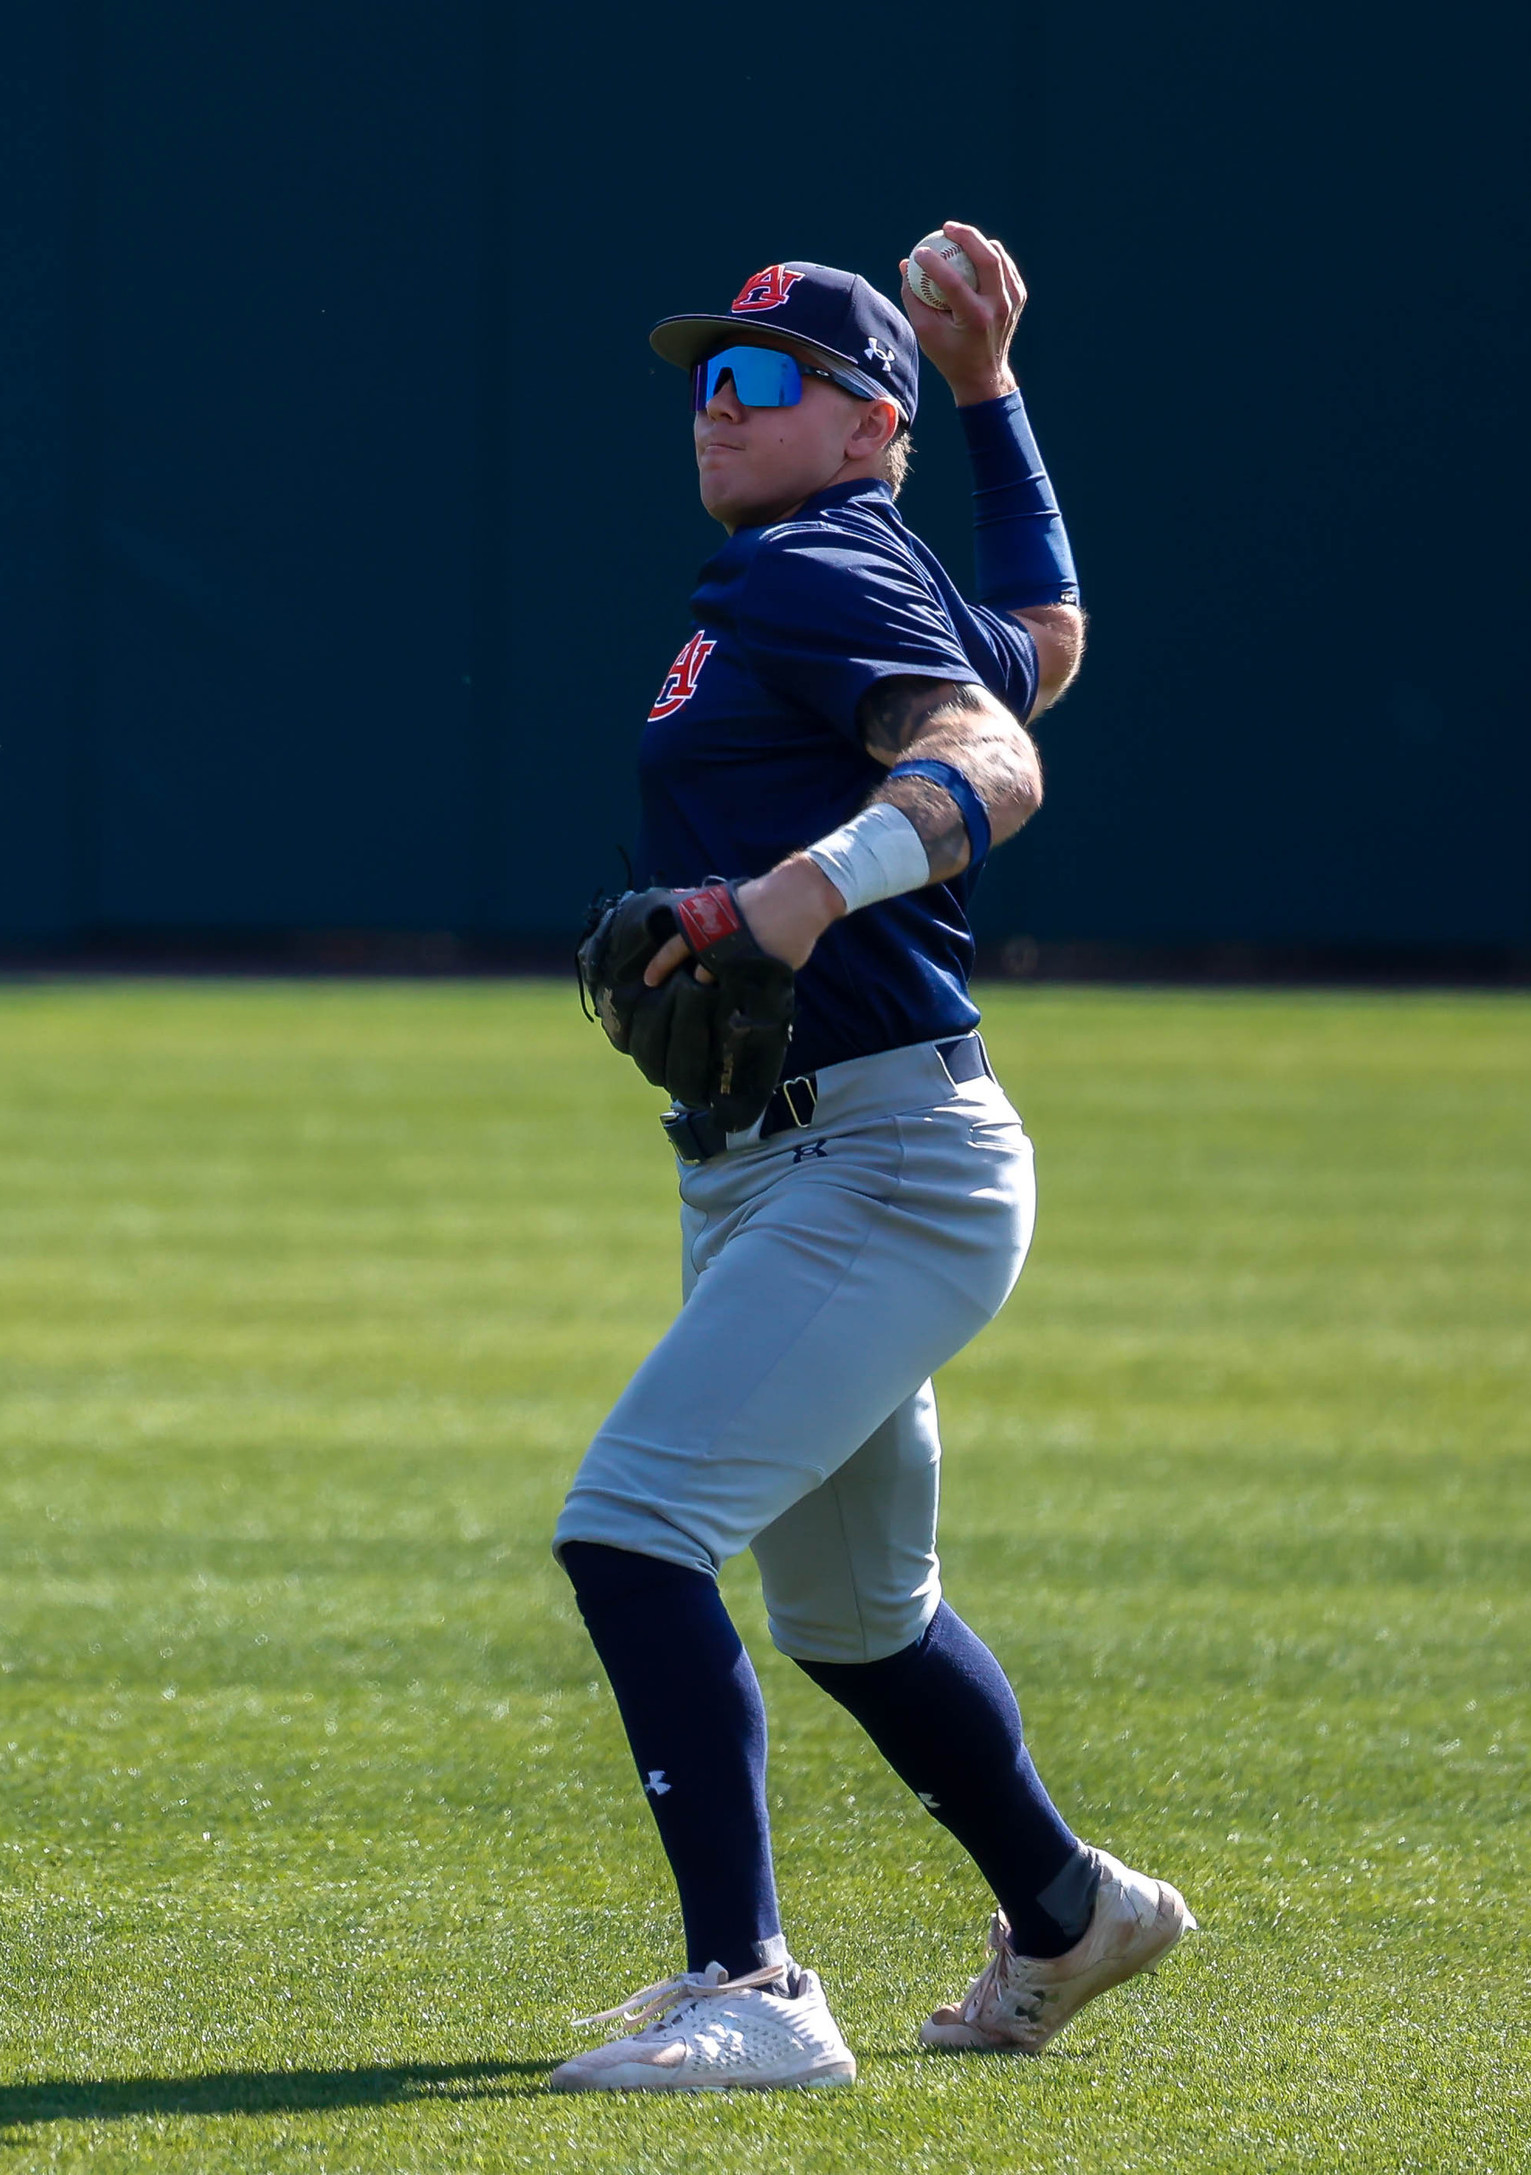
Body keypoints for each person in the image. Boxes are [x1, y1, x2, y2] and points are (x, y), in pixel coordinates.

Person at [545, 228, 1192, 2094]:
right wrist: (996, 399)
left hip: (878, 1164)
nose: (710, 410)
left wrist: (792, 898)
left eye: (753, 380)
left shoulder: (822, 560)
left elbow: (996, 755)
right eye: (700, 379)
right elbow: (1047, 649)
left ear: (860, 425)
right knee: (856, 1618)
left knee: (631, 1529)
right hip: (813, 1158)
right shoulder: (867, 564)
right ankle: (1073, 1911)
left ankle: (751, 1990)